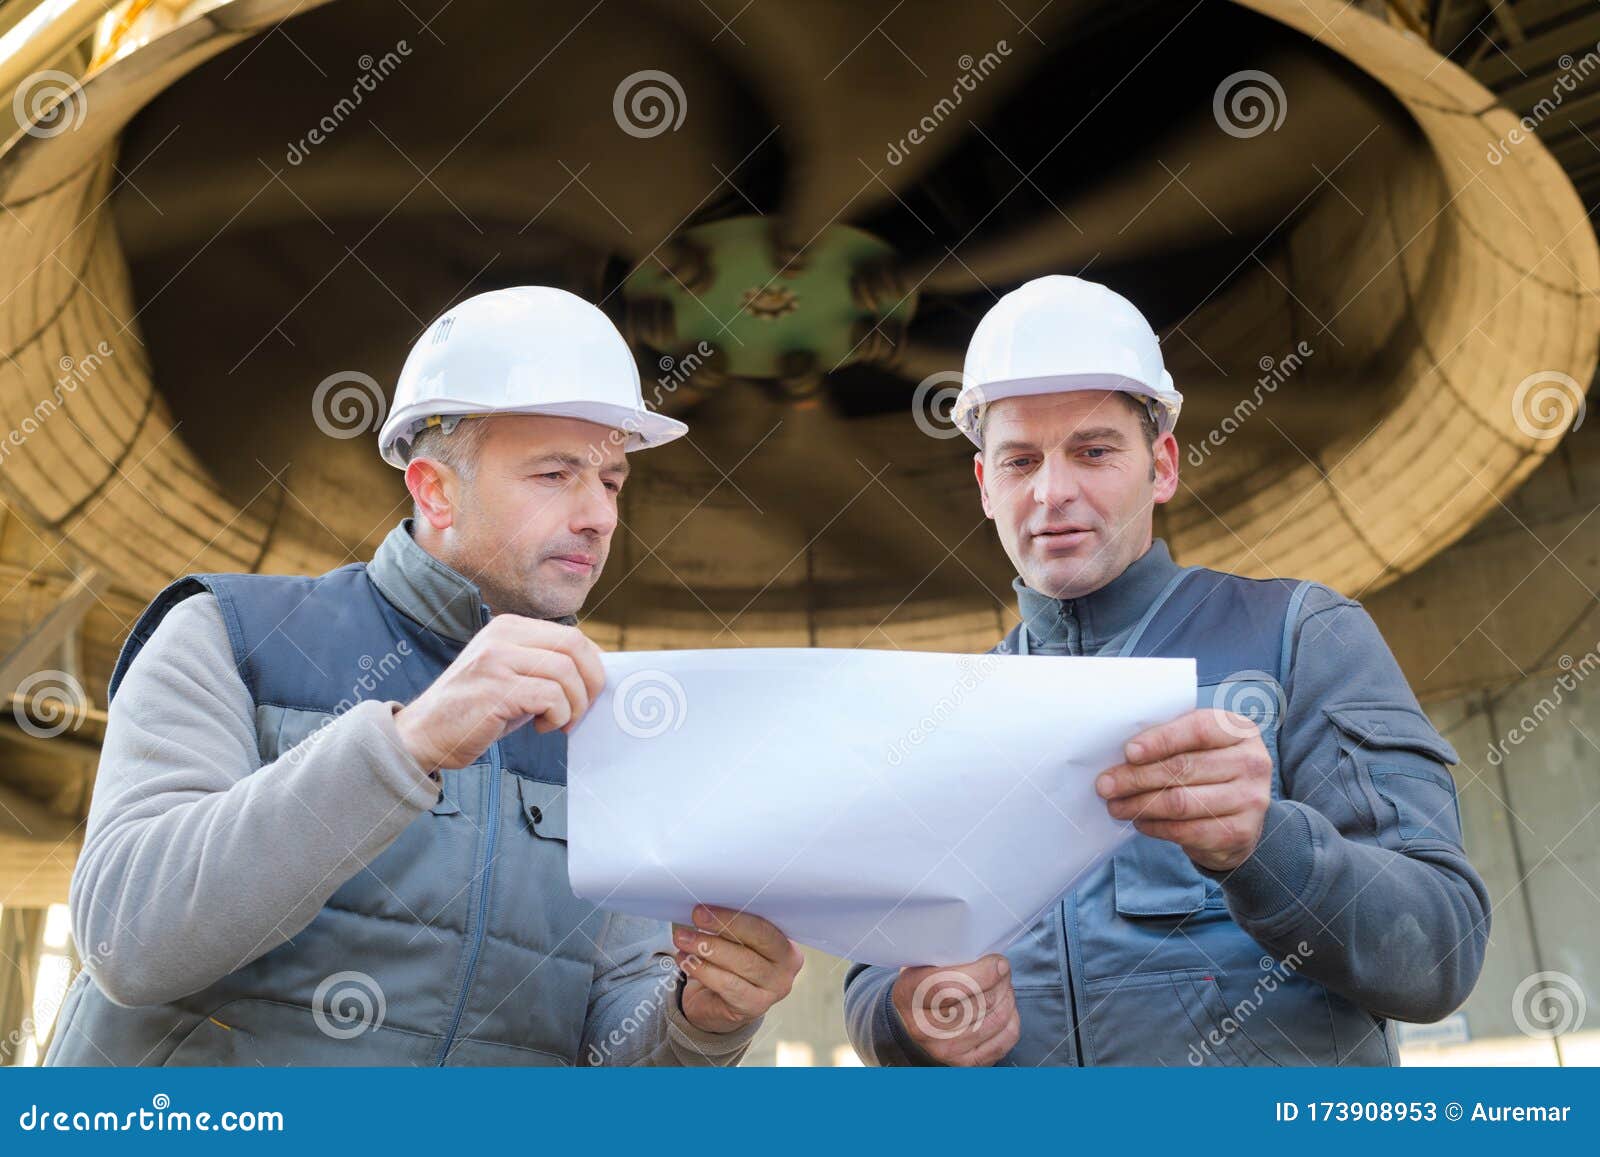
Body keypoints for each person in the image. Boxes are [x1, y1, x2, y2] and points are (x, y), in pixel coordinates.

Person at [48, 286, 802, 1066]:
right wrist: (406, 745)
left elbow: (607, 1064)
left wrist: (701, 1016)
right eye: (555, 474)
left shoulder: (607, 725)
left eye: (610, 480)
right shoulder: (228, 636)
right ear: (434, 489)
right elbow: (127, 940)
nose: (600, 515)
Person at [843, 275, 1489, 1066]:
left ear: (1165, 465)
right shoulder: (952, 711)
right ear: (986, 487)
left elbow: (1440, 952)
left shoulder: (1301, 636)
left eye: (1093, 451)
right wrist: (907, 1022)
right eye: (1019, 460)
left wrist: (1267, 845)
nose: (1052, 491)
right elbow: (874, 977)